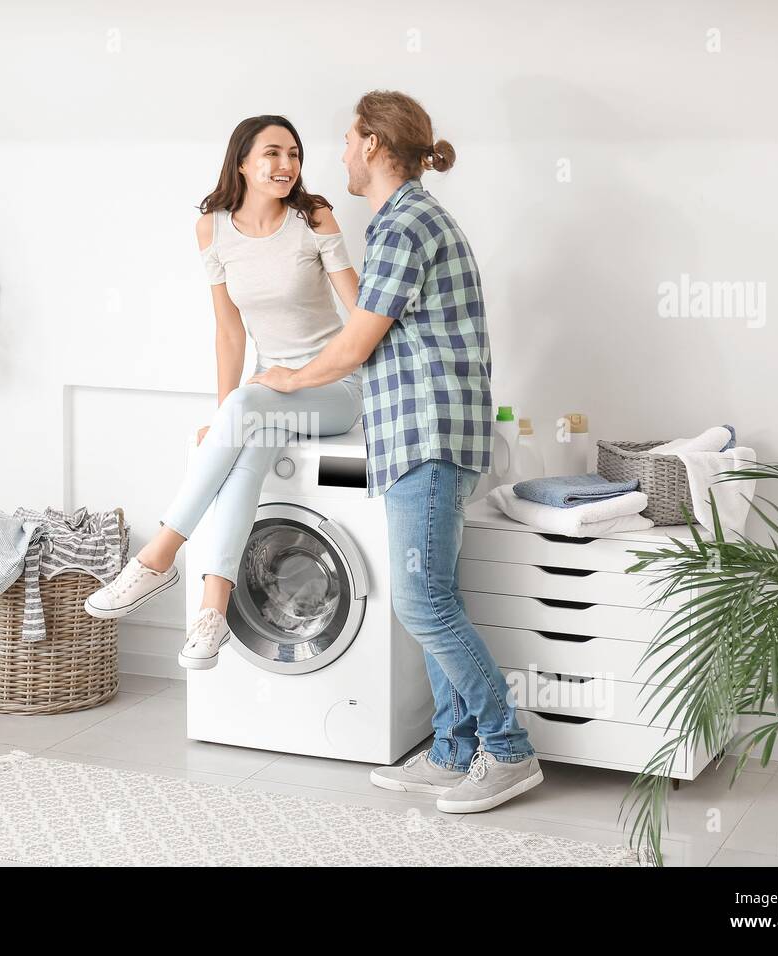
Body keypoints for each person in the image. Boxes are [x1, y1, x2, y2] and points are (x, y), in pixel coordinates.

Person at [246, 91, 543, 815]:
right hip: (422, 433)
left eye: (348, 139)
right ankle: (449, 751)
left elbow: (356, 341)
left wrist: (284, 377)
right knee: (435, 596)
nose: (340, 153)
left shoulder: (405, 224)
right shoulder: (405, 221)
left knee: (421, 600)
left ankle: (507, 751)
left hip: (428, 435)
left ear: (376, 143)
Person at [84, 115, 364, 671]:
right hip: (266, 397)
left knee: (248, 411)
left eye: (295, 155)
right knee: (248, 454)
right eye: (272, 154)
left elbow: (361, 318)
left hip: (335, 388)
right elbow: (229, 331)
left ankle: (159, 555)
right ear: (241, 161)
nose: (287, 166)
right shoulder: (212, 228)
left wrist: (274, 389)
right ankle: (213, 614)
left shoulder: (314, 219)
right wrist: (227, 415)